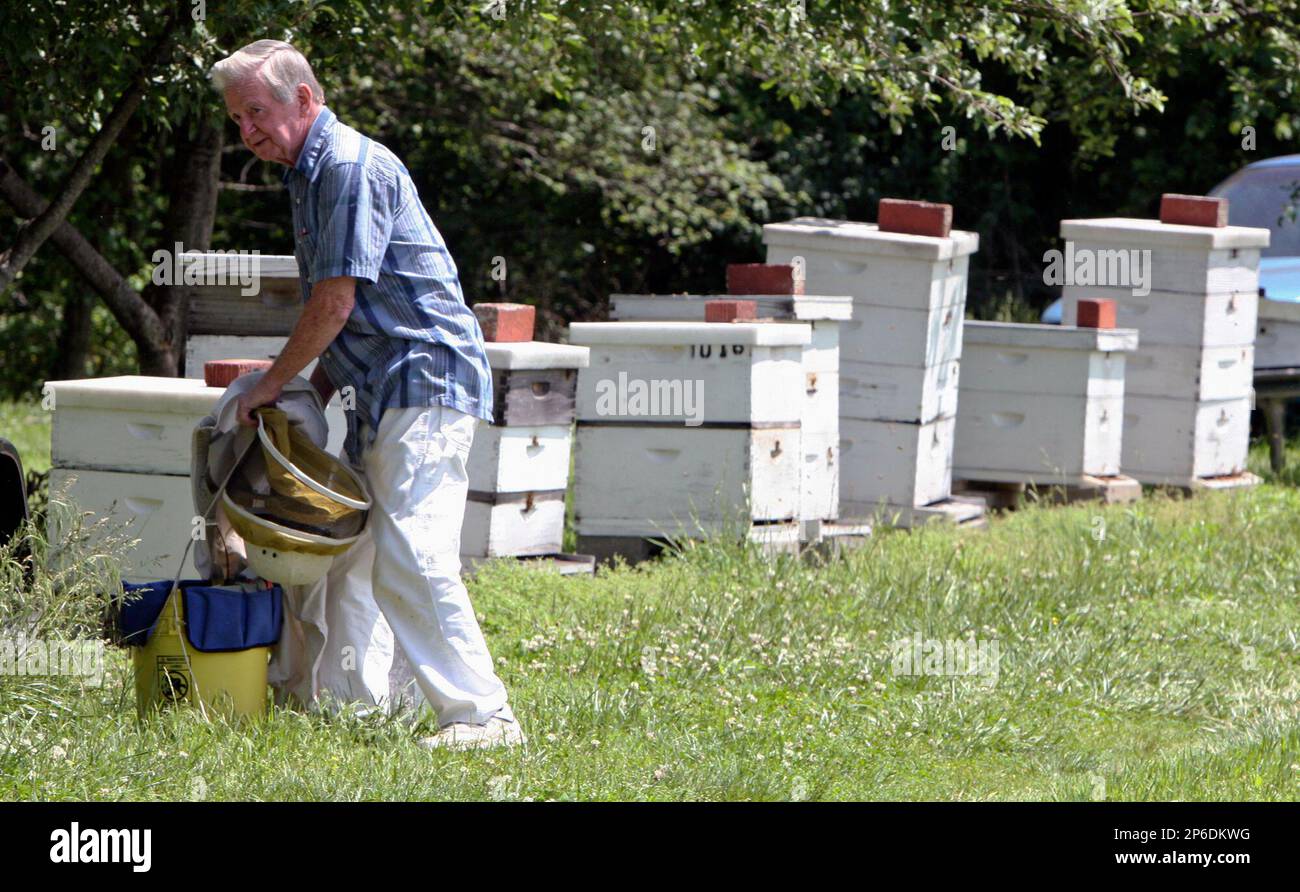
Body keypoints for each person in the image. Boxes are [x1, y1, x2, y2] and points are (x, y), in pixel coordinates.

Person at [209, 39, 521, 749]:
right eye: (236, 119)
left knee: (413, 548)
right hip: (386, 384)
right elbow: (351, 315)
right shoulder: (307, 174)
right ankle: (357, 705)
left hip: (426, 375)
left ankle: (481, 716)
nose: (246, 130)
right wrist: (296, 393)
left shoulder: (346, 166)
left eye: (255, 111)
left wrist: (272, 382)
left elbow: (337, 302)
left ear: (304, 100)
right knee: (357, 556)